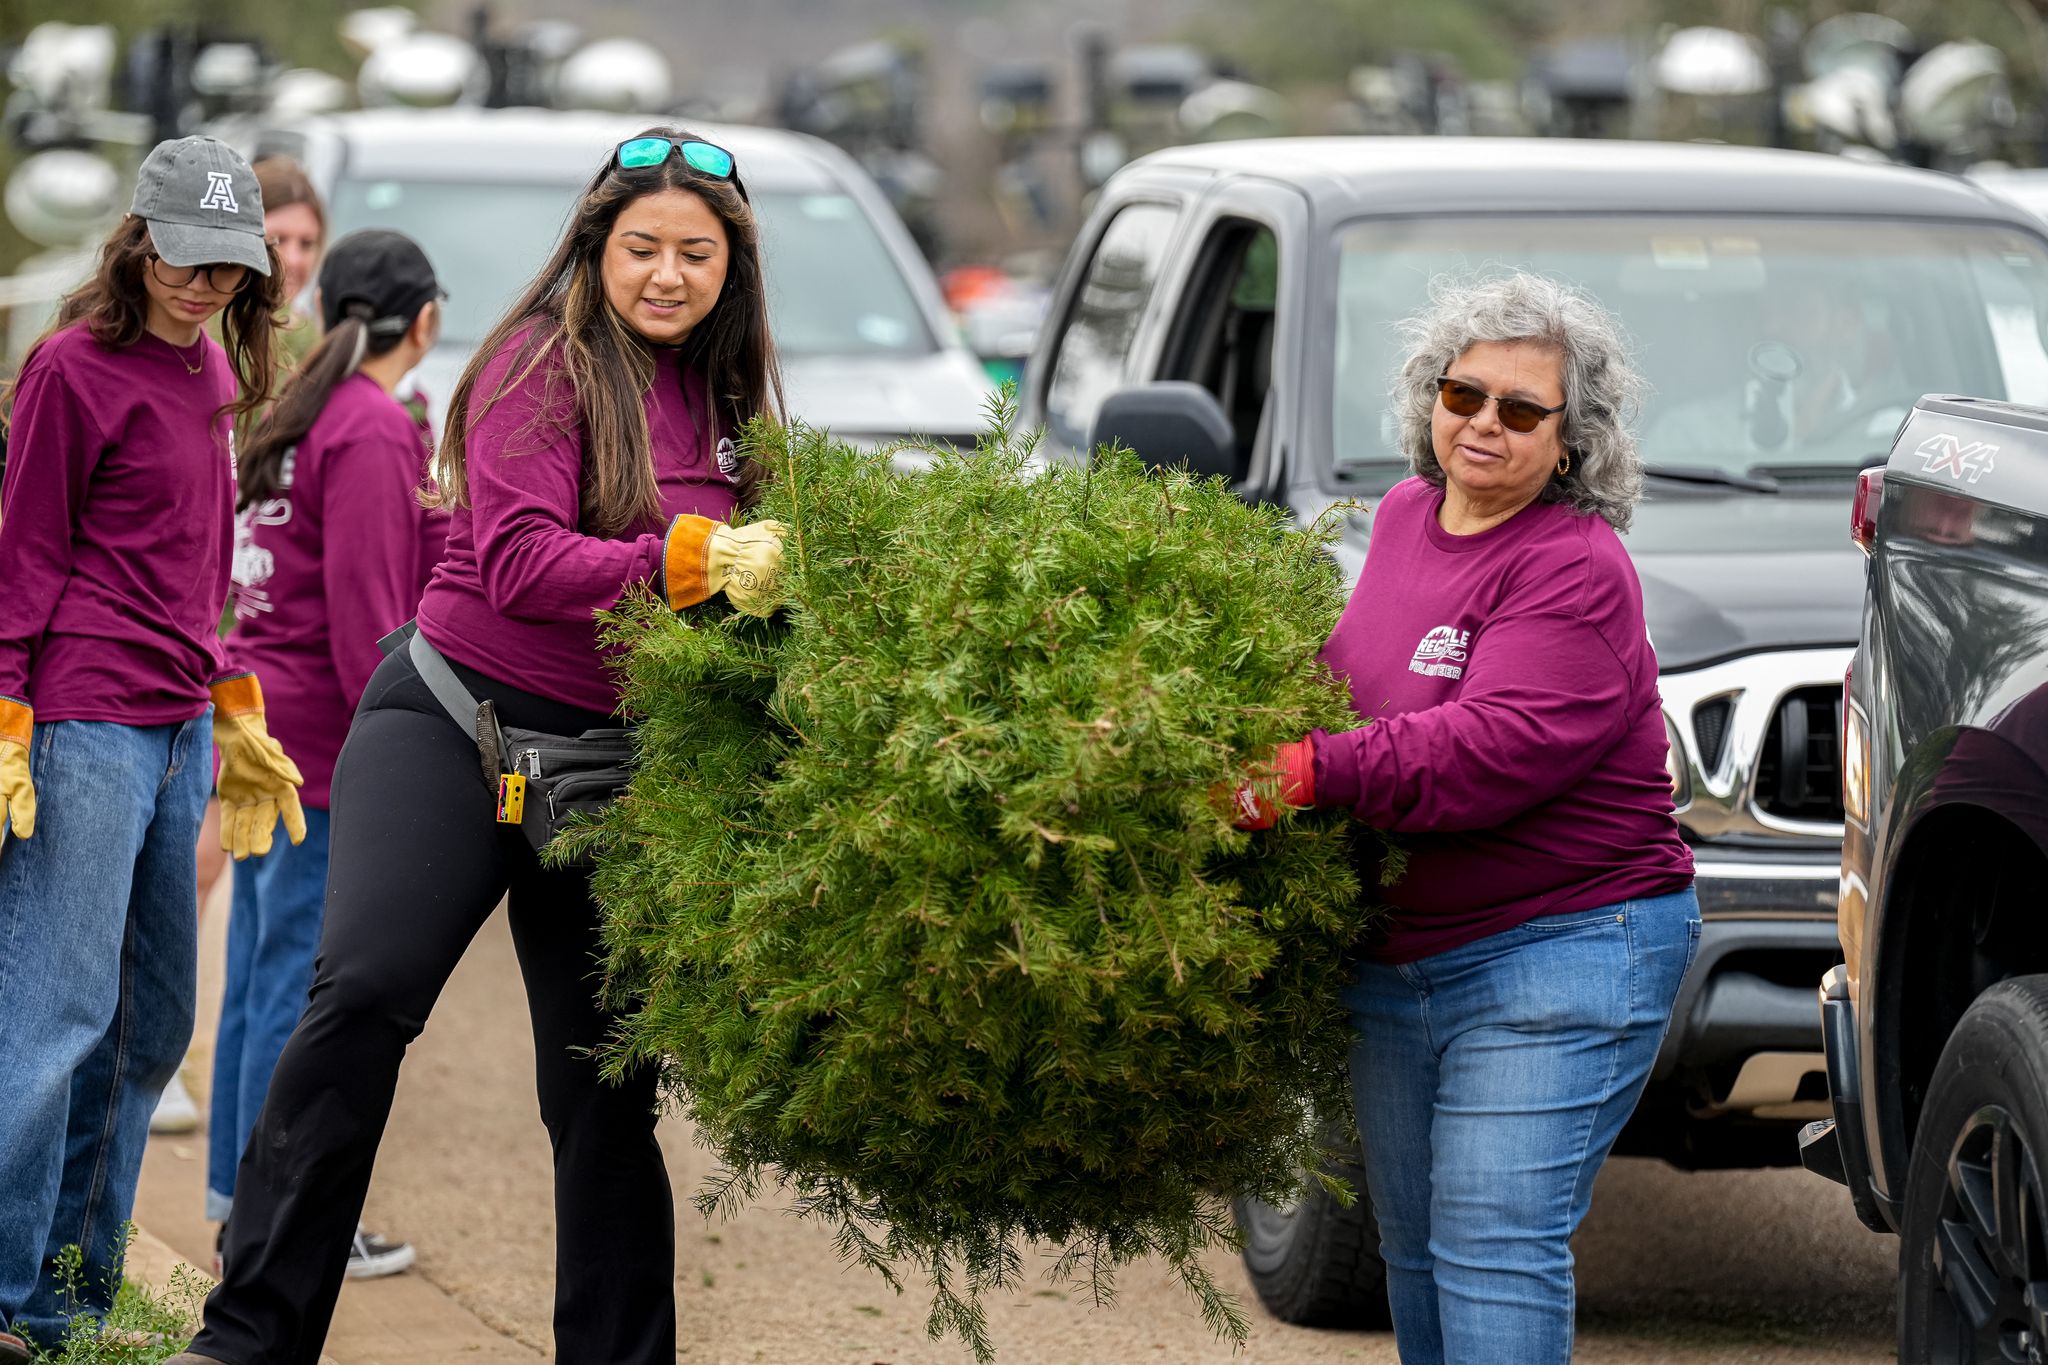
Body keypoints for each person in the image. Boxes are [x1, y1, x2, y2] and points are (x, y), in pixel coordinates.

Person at [174, 127, 787, 1365]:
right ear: (596, 247)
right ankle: (246, 1339)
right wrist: (688, 561)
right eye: (641, 248)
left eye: (695, 252)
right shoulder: (536, 363)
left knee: (604, 1086)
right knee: (360, 1002)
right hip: (457, 725)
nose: (666, 274)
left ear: (733, 267)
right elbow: (515, 562)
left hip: (614, 768)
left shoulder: (735, 405)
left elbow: (758, 597)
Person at [1233, 272, 1699, 1364]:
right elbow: (1356, 689)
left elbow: (1491, 750)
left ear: (1570, 439)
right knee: (1415, 1246)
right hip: (1399, 961)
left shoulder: (1575, 567)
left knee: (1491, 1238)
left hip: (1562, 947)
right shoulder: (1403, 515)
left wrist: (1304, 773)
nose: (1482, 424)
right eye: (1462, 395)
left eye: (1521, 410)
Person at [0, 135, 304, 1364]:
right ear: (139, 241)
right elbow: (21, 557)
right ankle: (11, 1298)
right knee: (53, 1018)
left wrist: (228, 701)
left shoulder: (214, 382)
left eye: (228, 271)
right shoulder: (73, 368)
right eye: (184, 260)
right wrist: (9, 715)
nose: (202, 286)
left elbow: (194, 573)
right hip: (80, 725)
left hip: (176, 723)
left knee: (149, 1028)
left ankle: (70, 1295)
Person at [206, 229, 450, 1281]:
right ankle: (278, 1220)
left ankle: (236, 1198)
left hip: (265, 727)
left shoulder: (307, 411)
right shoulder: (367, 426)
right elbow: (366, 620)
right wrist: (401, 757)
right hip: (318, 747)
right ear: (426, 322)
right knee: (303, 991)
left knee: (265, 978)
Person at [158, 154, 332, 1139]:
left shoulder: (304, 342)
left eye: (308, 243)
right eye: (277, 243)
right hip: (196, 628)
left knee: (234, 865)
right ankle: (166, 1054)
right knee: (197, 861)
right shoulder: (198, 333)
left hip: (257, 631)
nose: (293, 260)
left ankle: (193, 1063)